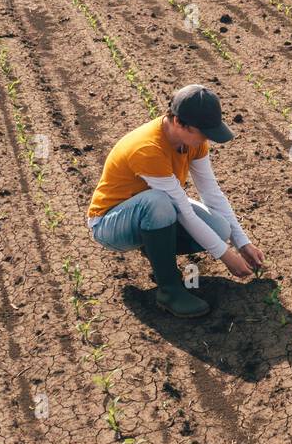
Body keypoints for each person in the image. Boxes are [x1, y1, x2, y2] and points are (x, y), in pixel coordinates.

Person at [87, 84, 264, 316]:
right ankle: (169, 290)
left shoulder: (193, 143)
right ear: (180, 123)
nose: (205, 139)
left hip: (150, 213)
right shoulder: (148, 149)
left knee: (220, 228)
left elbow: (211, 193)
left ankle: (155, 249)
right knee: (158, 202)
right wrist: (225, 255)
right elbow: (182, 210)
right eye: (203, 132)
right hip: (110, 224)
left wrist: (242, 243)